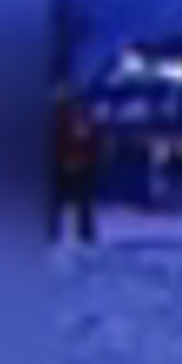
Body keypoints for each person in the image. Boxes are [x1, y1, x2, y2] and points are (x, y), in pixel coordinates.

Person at [50, 83, 103, 246]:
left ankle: (85, 235)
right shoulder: (55, 118)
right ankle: (52, 234)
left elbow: (91, 142)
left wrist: (88, 161)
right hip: (60, 166)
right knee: (54, 205)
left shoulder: (80, 117)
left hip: (80, 166)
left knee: (83, 205)